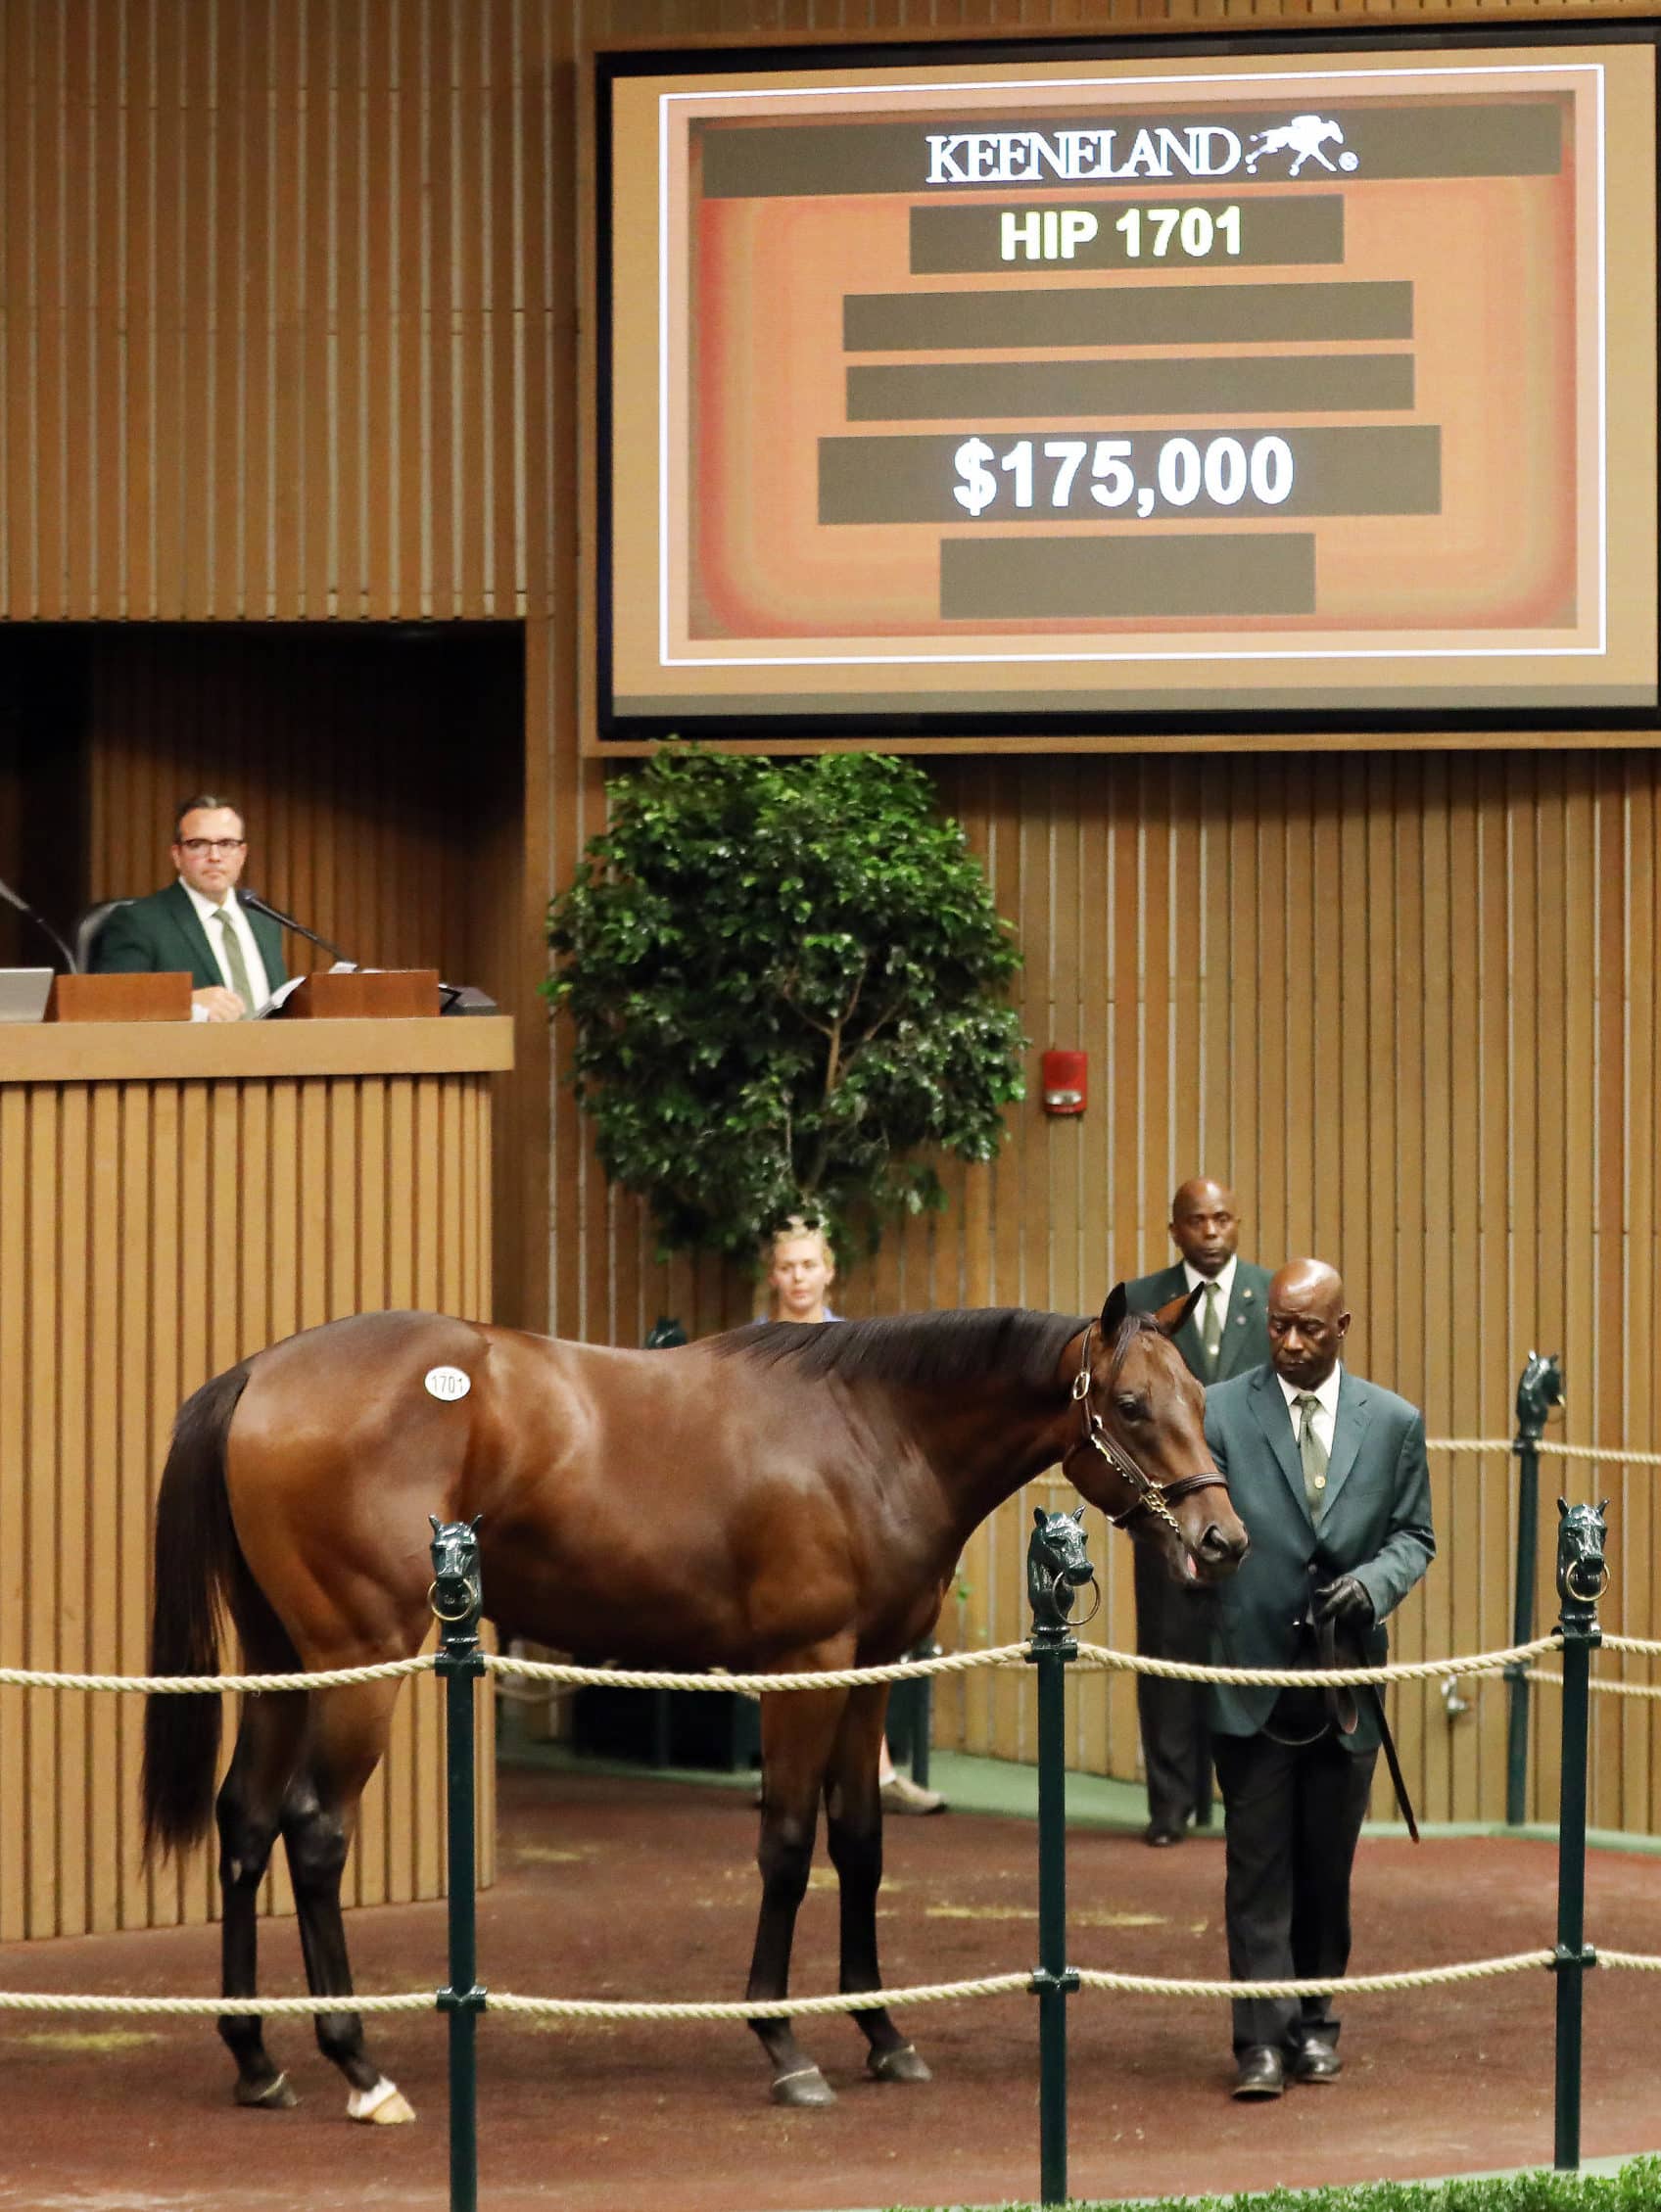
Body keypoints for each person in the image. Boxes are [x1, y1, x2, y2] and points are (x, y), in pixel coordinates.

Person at [1202, 1259, 1434, 2100]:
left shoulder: (1395, 1422)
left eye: (1309, 1327)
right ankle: (1257, 2041)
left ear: (1343, 1328)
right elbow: (1198, 1522)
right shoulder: (1220, 1406)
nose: (1291, 1342)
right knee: (1255, 1865)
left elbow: (1415, 1535)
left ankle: (1315, 2024)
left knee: (1325, 1868)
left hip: (1345, 1685)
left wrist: (1373, 1586)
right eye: (1279, 1326)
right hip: (1251, 1673)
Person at [762, 1219, 945, 1815]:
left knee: (864, 1647)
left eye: (808, 1265)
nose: (798, 1278)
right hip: (771, 1514)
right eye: (788, 1266)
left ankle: (877, 1771)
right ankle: (791, 1780)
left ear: (829, 1271)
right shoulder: (755, 1346)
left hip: (846, 1516)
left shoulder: (858, 1345)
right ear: (774, 1274)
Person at [1123, 1179, 1271, 1847]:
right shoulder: (1137, 1298)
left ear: (1236, 1223)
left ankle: (1249, 1796)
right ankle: (1170, 1805)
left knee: (1246, 1649)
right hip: (1166, 1505)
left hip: (1248, 1508)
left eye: (1222, 1218)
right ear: (1174, 1229)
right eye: (1196, 1220)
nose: (1211, 1231)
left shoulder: (1273, 1295)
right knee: (1168, 1653)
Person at [90, 794, 286, 1021]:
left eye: (226, 844)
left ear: (242, 854)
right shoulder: (140, 921)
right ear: (177, 855)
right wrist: (186, 1002)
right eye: (198, 845)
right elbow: (109, 1001)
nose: (214, 856)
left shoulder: (264, 923)